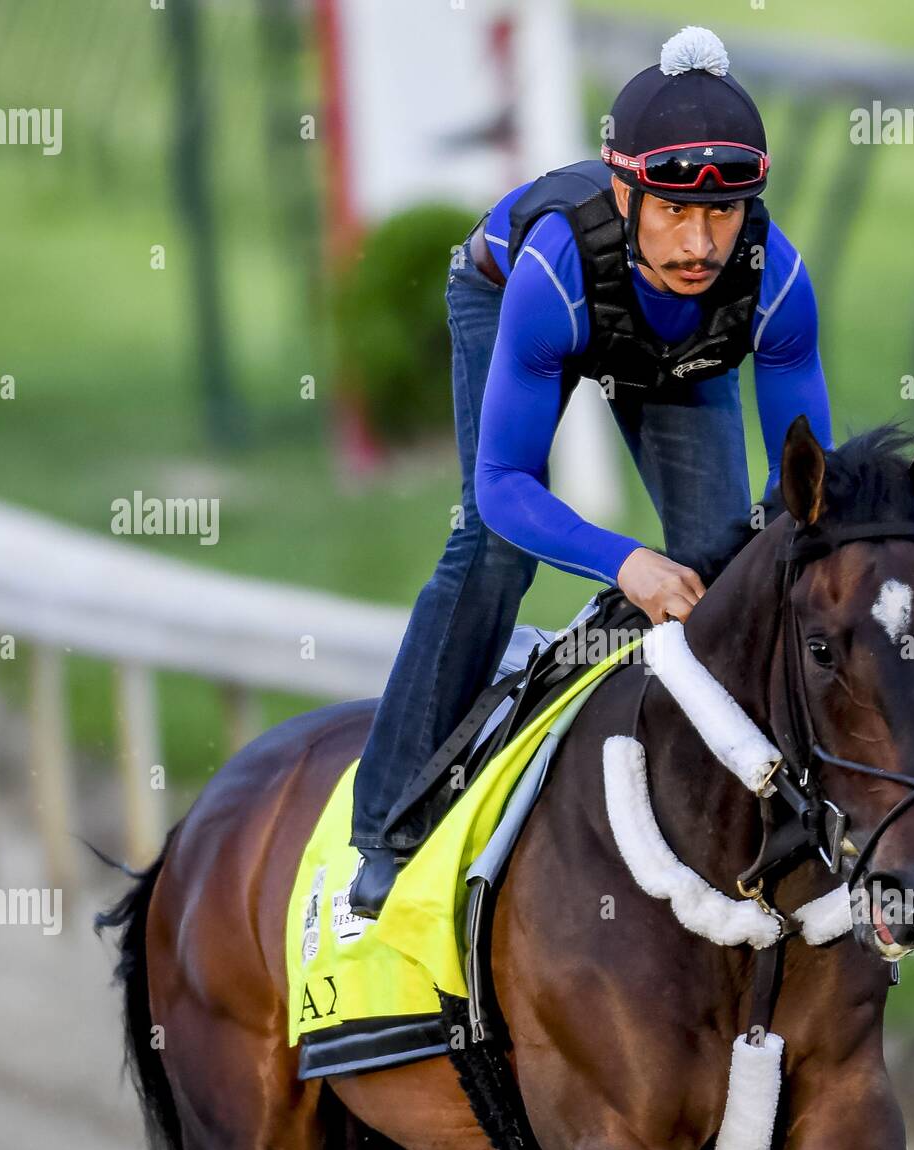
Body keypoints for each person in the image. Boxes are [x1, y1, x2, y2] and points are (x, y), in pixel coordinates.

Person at [348, 25, 833, 917]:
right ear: (624, 190)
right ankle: (386, 827)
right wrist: (623, 562)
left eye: (722, 214)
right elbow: (504, 489)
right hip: (514, 303)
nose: (698, 244)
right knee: (492, 550)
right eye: (674, 213)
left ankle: (733, 812)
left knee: (724, 565)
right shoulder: (551, 272)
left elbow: (808, 497)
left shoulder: (776, 278)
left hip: (666, 350)